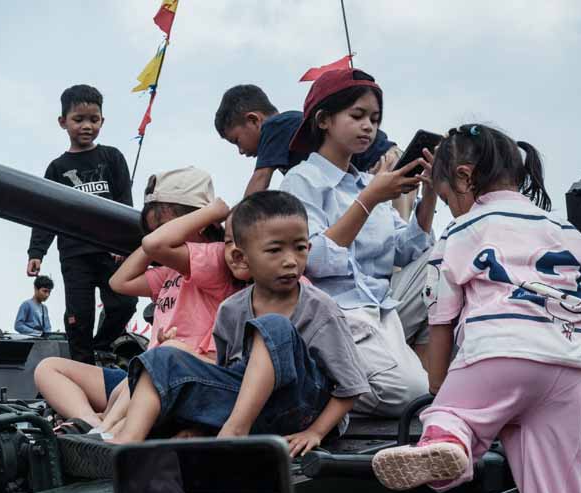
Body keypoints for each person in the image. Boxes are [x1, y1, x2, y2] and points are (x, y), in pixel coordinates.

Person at [372, 124, 581, 493]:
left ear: (463, 178)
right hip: (575, 363)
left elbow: (440, 320)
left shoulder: (462, 232)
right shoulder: (567, 230)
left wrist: (440, 391)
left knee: (453, 416)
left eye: (446, 196)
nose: (449, 207)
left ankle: (450, 451)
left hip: (500, 346)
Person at [116, 191, 370, 455]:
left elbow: (351, 385)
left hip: (302, 412)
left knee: (273, 327)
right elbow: (225, 377)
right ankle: (124, 447)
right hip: (254, 414)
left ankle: (231, 436)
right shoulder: (231, 309)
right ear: (240, 258)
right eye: (275, 250)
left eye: (300, 248)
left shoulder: (320, 308)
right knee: (162, 358)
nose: (290, 261)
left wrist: (315, 432)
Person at [279, 68, 436, 415]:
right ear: (323, 120)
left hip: (383, 307)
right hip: (335, 314)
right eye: (357, 116)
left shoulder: (368, 182)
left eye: (375, 119)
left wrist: (431, 193)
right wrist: (369, 200)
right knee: (409, 394)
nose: (368, 127)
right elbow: (312, 260)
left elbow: (409, 249)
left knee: (446, 255)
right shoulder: (301, 181)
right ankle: (315, 379)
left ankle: (434, 374)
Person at [26, 84, 137, 365]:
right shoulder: (57, 168)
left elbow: (125, 203)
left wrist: (123, 244)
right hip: (74, 256)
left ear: (102, 121)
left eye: (94, 119)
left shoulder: (112, 158)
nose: (87, 126)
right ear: (62, 121)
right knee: (79, 317)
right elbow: (46, 214)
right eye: (78, 119)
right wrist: (36, 252)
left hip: (110, 252)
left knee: (125, 303)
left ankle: (101, 345)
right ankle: (82, 367)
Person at [214, 82, 407, 212]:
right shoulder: (286, 142)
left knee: (392, 240)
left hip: (382, 165)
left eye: (236, 140)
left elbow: (260, 180)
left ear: (254, 120)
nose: (240, 151)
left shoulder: (274, 126)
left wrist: (236, 221)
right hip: (377, 170)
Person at [110, 167, 238, 357]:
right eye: (155, 231)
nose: (160, 235)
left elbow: (153, 244)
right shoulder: (171, 272)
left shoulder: (216, 256)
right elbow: (119, 282)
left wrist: (210, 213)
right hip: (159, 362)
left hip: (192, 364)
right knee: (60, 367)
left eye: (165, 228)